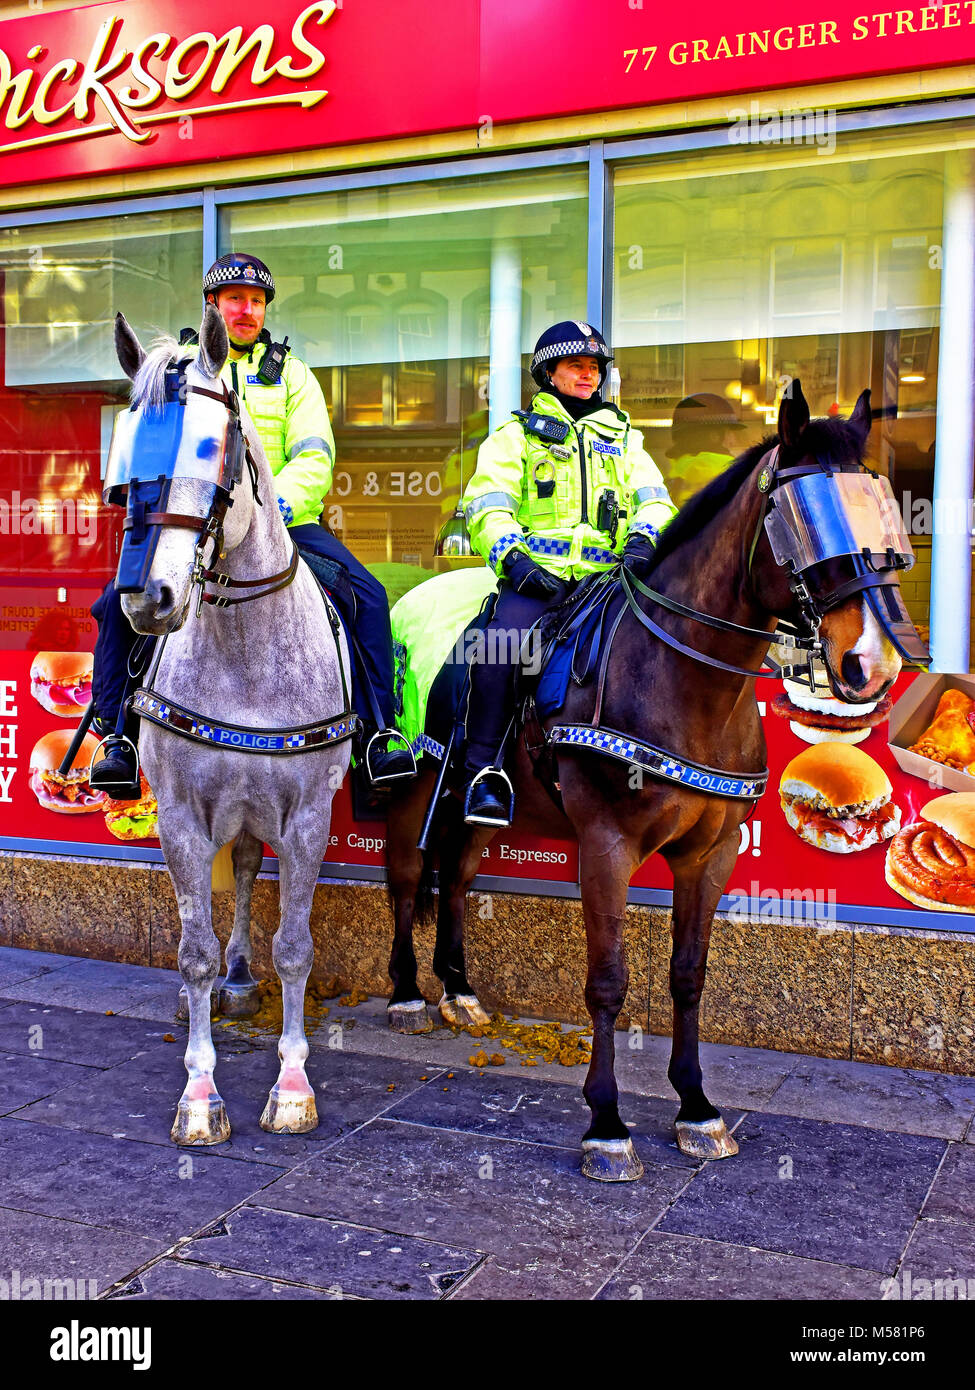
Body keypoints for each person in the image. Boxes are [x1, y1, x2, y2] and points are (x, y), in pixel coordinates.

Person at [90, 252, 415, 796]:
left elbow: (314, 457)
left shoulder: (293, 375)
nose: (247, 310)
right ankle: (116, 736)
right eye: (236, 299)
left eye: (257, 301)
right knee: (118, 599)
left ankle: (378, 732)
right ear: (212, 305)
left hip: (283, 524)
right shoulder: (176, 373)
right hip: (195, 523)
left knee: (368, 597)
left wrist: (271, 511)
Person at [459, 320, 678, 826]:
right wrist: (515, 561)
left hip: (610, 582)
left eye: (594, 367)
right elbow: (487, 506)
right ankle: (484, 774)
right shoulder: (515, 436)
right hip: (539, 582)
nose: (588, 375)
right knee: (497, 650)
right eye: (576, 365)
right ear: (549, 373)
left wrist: (643, 541)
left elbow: (656, 502)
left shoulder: (626, 440)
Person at [664, 393, 744, 509]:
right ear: (714, 436)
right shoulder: (729, 470)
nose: (733, 441)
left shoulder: (678, 472)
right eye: (729, 433)